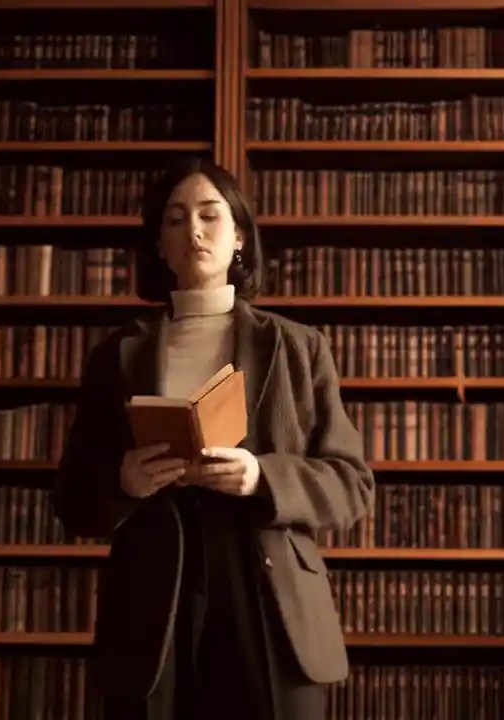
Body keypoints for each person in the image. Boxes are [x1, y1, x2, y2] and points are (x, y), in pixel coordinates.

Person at [51, 157, 375, 719]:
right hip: (155, 595)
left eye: (209, 215)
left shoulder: (299, 347)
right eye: (175, 219)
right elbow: (73, 498)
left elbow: (352, 484)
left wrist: (261, 476)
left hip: (268, 590)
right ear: (159, 243)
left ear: (239, 237)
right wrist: (123, 480)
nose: (194, 230)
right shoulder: (116, 355)